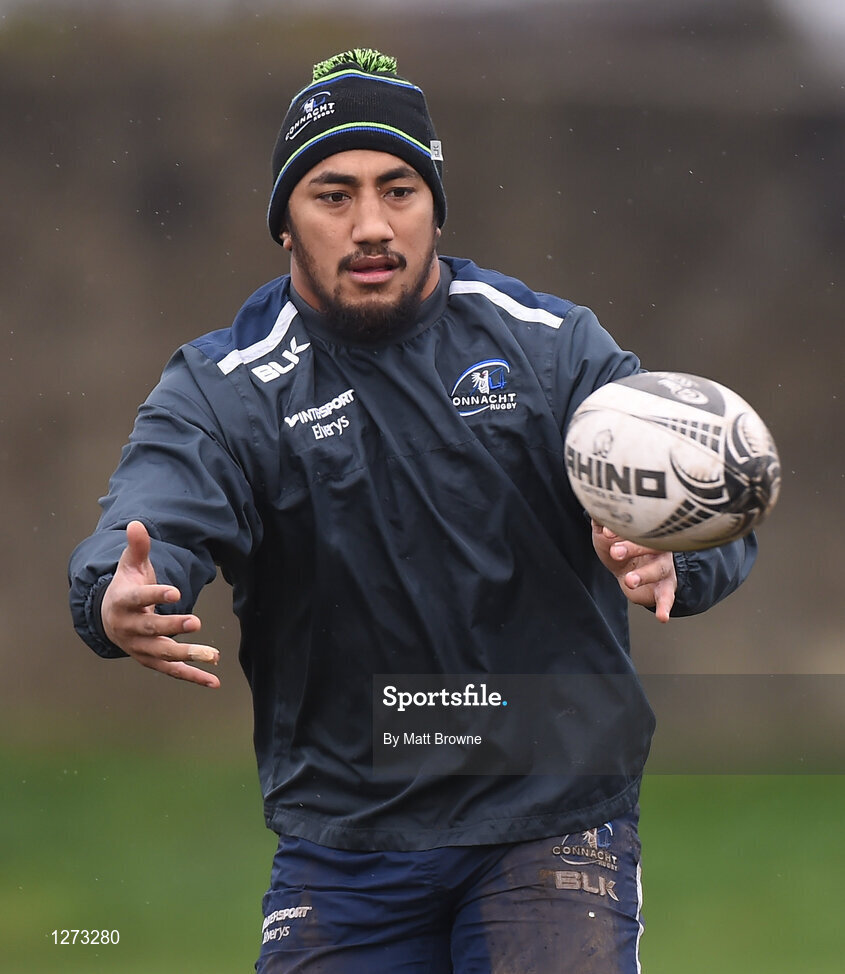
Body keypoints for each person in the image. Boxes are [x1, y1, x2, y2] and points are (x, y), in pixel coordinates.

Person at [69, 48, 757, 973]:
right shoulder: (226, 387)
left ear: (435, 205)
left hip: (550, 820)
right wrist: (118, 588)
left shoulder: (551, 352)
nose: (371, 225)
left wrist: (677, 557)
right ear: (283, 222)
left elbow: (705, 491)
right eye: (332, 194)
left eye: (399, 190)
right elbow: (158, 512)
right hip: (345, 840)